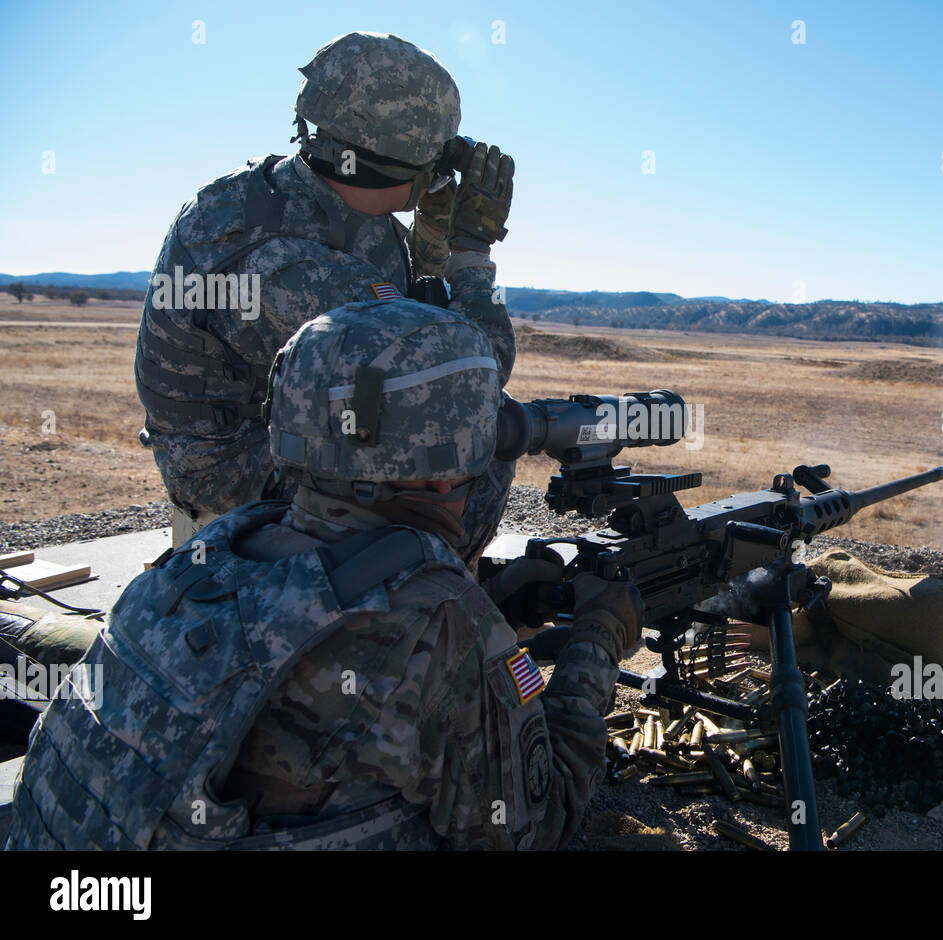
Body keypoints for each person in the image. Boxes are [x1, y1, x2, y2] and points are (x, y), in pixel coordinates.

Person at [5, 300, 642, 850]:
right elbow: (537, 825)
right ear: (449, 469)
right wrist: (599, 640)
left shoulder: (218, 548)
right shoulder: (439, 622)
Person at [135, 30, 516, 564]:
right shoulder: (285, 264)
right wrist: (471, 252)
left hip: (292, 429)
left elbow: (409, 308)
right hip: (234, 471)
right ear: (403, 166)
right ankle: (422, 602)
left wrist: (431, 237)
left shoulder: (305, 194)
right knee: (480, 437)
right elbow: (474, 366)